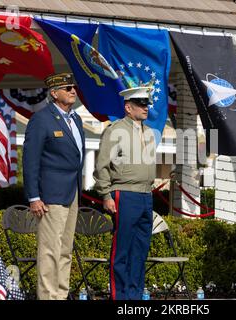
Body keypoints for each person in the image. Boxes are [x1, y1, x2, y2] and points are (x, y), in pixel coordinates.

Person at [23, 72, 85, 300]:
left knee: (65, 250)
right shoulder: (41, 119)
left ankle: (60, 294)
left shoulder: (76, 119)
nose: (72, 91)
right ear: (54, 92)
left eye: (73, 87)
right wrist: (33, 197)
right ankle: (48, 296)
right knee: (50, 250)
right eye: (68, 87)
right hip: (50, 195)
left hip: (73, 192)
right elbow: (30, 161)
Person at [94, 86, 156, 300]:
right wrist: (105, 195)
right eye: (140, 104)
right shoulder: (115, 129)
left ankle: (134, 297)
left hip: (146, 195)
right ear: (128, 107)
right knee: (122, 250)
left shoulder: (148, 132)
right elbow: (102, 165)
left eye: (146, 104)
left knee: (140, 251)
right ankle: (119, 297)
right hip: (125, 194)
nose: (145, 108)